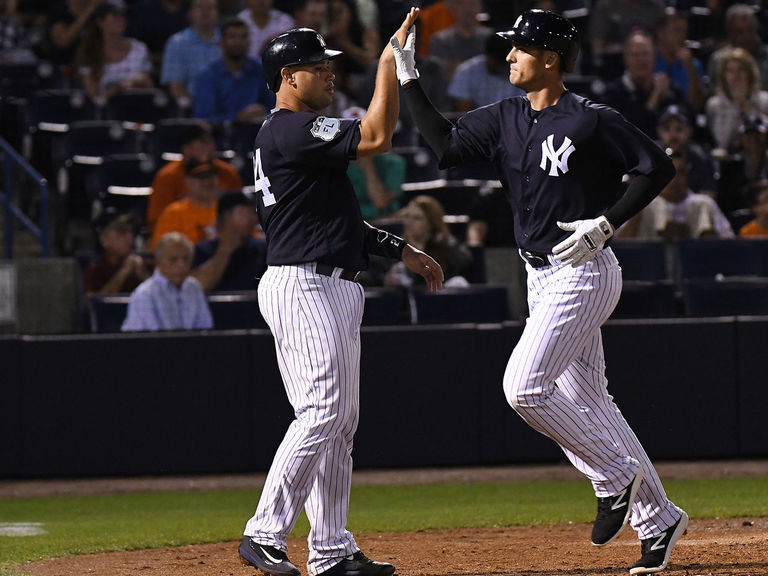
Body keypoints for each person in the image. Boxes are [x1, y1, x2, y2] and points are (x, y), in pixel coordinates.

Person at [391, 8, 688, 574]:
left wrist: (608, 222)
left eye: (520, 48)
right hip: (538, 274)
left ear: (549, 57)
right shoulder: (506, 116)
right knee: (592, 405)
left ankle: (616, 476)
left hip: (585, 270)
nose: (508, 56)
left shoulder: (591, 119)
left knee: (523, 388)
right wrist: (408, 75)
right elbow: (446, 145)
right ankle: (659, 518)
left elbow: (658, 167)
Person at [237, 14, 444, 576]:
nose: (329, 73)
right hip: (304, 283)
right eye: (316, 66)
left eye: (331, 64)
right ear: (286, 76)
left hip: (323, 277)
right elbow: (376, 136)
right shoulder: (287, 128)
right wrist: (385, 65)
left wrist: (397, 247)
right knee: (324, 411)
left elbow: (328, 219)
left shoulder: (296, 136)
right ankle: (264, 531)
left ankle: (329, 551)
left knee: (339, 421)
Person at [146, 122, 243, 235]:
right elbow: (155, 222)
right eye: (204, 142)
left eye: (211, 141)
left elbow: (241, 211)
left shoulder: (228, 172)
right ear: (187, 148)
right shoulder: (167, 176)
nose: (211, 146)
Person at [617, 152, 734, 240]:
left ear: (687, 176)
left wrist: (707, 236)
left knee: (701, 204)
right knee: (655, 203)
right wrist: (636, 215)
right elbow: (622, 244)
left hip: (696, 260)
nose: (674, 179)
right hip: (654, 261)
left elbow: (729, 240)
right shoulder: (646, 204)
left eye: (680, 173)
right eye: (669, 174)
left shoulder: (704, 203)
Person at [600, 30, 686, 140]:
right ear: (626, 59)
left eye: (645, 54)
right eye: (635, 55)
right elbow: (629, 131)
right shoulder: (613, 93)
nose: (641, 60)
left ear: (654, 57)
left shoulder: (668, 88)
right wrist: (655, 96)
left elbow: (688, 121)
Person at [122, 231, 213, 331]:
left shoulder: (194, 287)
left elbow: (205, 328)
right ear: (158, 262)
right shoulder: (145, 294)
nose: (181, 265)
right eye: (173, 259)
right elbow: (147, 340)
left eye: (185, 258)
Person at [193, 17, 276, 124]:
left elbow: (274, 108)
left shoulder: (260, 71)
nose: (238, 42)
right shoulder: (208, 76)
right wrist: (236, 118)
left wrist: (264, 113)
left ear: (249, 42)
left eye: (243, 37)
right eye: (232, 37)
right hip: (221, 136)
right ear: (221, 42)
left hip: (257, 133)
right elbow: (203, 118)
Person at [383, 195, 473, 287]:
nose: (409, 222)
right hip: (403, 297)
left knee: (458, 282)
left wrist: (443, 244)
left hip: (438, 295)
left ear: (430, 223)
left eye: (417, 218)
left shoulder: (443, 243)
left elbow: (464, 262)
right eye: (407, 216)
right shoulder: (394, 245)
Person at [75, 1, 154, 100]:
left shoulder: (139, 49)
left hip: (137, 108)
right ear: (101, 22)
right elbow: (94, 98)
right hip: (106, 112)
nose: (121, 20)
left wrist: (143, 83)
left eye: (123, 16)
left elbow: (149, 87)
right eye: (115, 16)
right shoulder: (89, 52)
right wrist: (120, 89)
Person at [192, 189, 267, 292]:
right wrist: (225, 248)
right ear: (227, 216)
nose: (254, 219)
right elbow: (199, 287)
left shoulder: (262, 250)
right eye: (248, 213)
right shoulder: (203, 250)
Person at [705, 48, 768, 153]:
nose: (736, 75)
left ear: (750, 73)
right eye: (730, 71)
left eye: (741, 69)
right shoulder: (714, 105)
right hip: (728, 159)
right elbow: (722, 142)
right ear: (724, 76)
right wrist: (736, 108)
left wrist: (747, 108)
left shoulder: (764, 101)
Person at [160, 0, 221, 107]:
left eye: (210, 7)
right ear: (190, 13)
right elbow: (175, 86)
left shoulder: (228, 41)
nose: (205, 12)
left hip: (229, 106)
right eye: (199, 7)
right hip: (192, 107)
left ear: (218, 13)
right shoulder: (176, 42)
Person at [151, 157, 220, 249]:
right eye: (201, 178)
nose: (207, 182)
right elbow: (162, 252)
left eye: (210, 176)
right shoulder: (173, 213)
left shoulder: (227, 209)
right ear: (188, 181)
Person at [448, 31, 526, 112]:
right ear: (486, 54)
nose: (498, 67)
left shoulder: (521, 72)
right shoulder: (467, 71)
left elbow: (525, 108)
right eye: (495, 61)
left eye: (502, 62)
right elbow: (463, 109)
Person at [83, 207, 151, 297]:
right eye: (121, 232)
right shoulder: (95, 270)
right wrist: (123, 272)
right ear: (104, 240)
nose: (129, 237)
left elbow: (164, 299)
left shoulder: (143, 264)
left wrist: (143, 274)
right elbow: (92, 305)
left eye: (130, 231)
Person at [655, 105, 716, 198]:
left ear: (689, 131)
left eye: (679, 129)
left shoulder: (701, 157)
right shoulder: (652, 156)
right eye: (667, 129)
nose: (673, 135)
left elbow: (709, 195)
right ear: (659, 132)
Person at [653, 9, 706, 114]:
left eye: (684, 32)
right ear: (660, 33)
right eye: (676, 31)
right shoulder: (648, 62)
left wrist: (691, 71)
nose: (682, 38)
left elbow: (697, 107)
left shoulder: (693, 64)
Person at [707, 4, 768, 93]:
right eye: (740, 32)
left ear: (756, 28)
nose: (746, 36)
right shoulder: (719, 60)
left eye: (749, 29)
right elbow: (716, 93)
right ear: (730, 33)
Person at [428, 0, 492, 80]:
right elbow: (439, 72)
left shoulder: (490, 38)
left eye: (472, 4)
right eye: (462, 4)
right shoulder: (440, 40)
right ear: (453, 8)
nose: (467, 9)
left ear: (480, 7)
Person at [126, 0, 188, 70]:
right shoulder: (143, 9)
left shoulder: (191, 9)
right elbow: (132, 45)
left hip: (188, 65)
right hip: (149, 68)